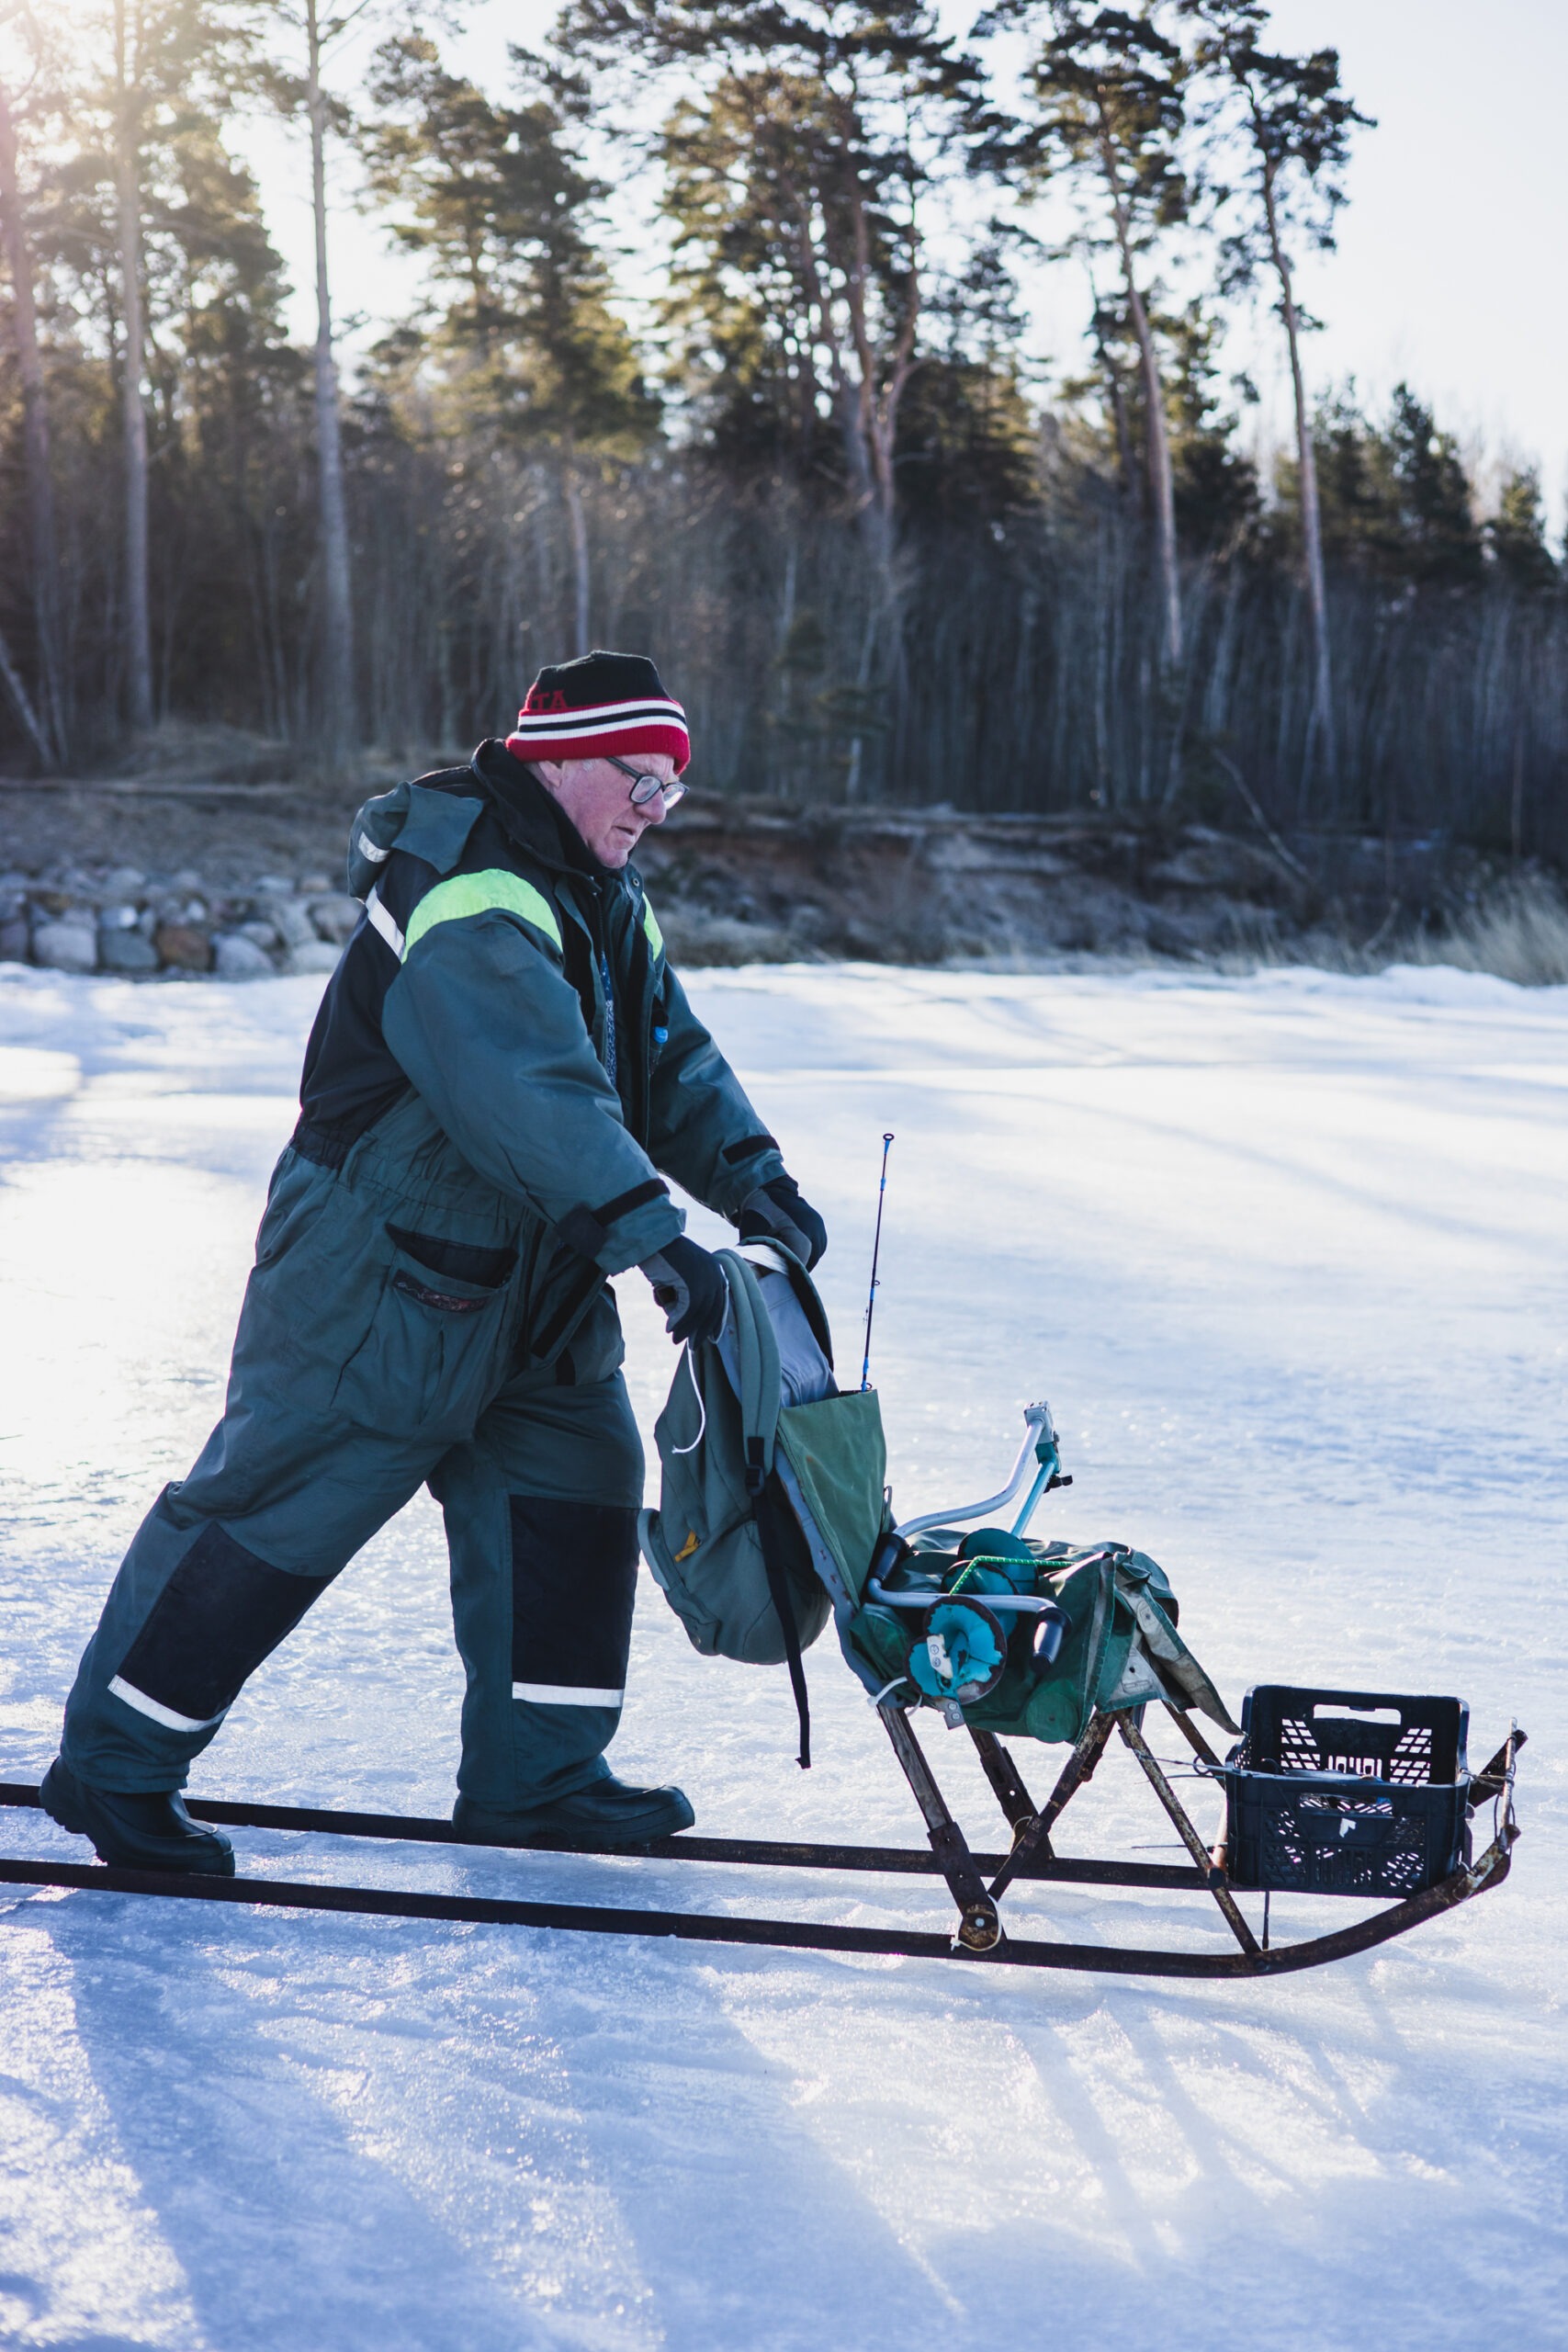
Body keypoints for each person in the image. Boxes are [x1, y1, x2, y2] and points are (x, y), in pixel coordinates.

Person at [42, 650, 827, 1875]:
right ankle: (115, 1767)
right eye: (639, 777)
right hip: (380, 1275)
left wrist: (754, 1179)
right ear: (561, 762)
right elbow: (524, 1084)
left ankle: (539, 1779)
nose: (655, 808)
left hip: (536, 1281)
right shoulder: (470, 883)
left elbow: (663, 1053)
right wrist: (651, 1233)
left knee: (575, 1489)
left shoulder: (601, 890)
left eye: (671, 787)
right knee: (277, 1511)